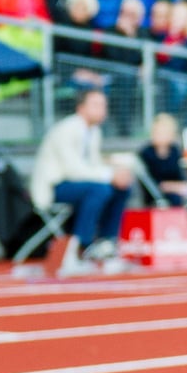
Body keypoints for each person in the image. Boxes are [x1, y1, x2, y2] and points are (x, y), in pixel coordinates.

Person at [30, 88, 133, 265]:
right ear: (81, 108)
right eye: (96, 105)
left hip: (79, 184)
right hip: (55, 185)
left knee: (120, 187)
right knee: (100, 189)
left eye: (103, 105)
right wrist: (110, 174)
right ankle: (81, 245)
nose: (102, 109)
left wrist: (116, 170)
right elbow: (73, 170)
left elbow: (92, 165)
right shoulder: (67, 129)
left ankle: (106, 241)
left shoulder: (94, 132)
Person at [136, 111, 187, 251]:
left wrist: (183, 186)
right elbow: (153, 182)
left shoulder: (174, 151)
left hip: (176, 188)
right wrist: (173, 187)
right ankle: (179, 238)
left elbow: (179, 175)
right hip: (158, 194)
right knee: (176, 200)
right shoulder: (146, 153)